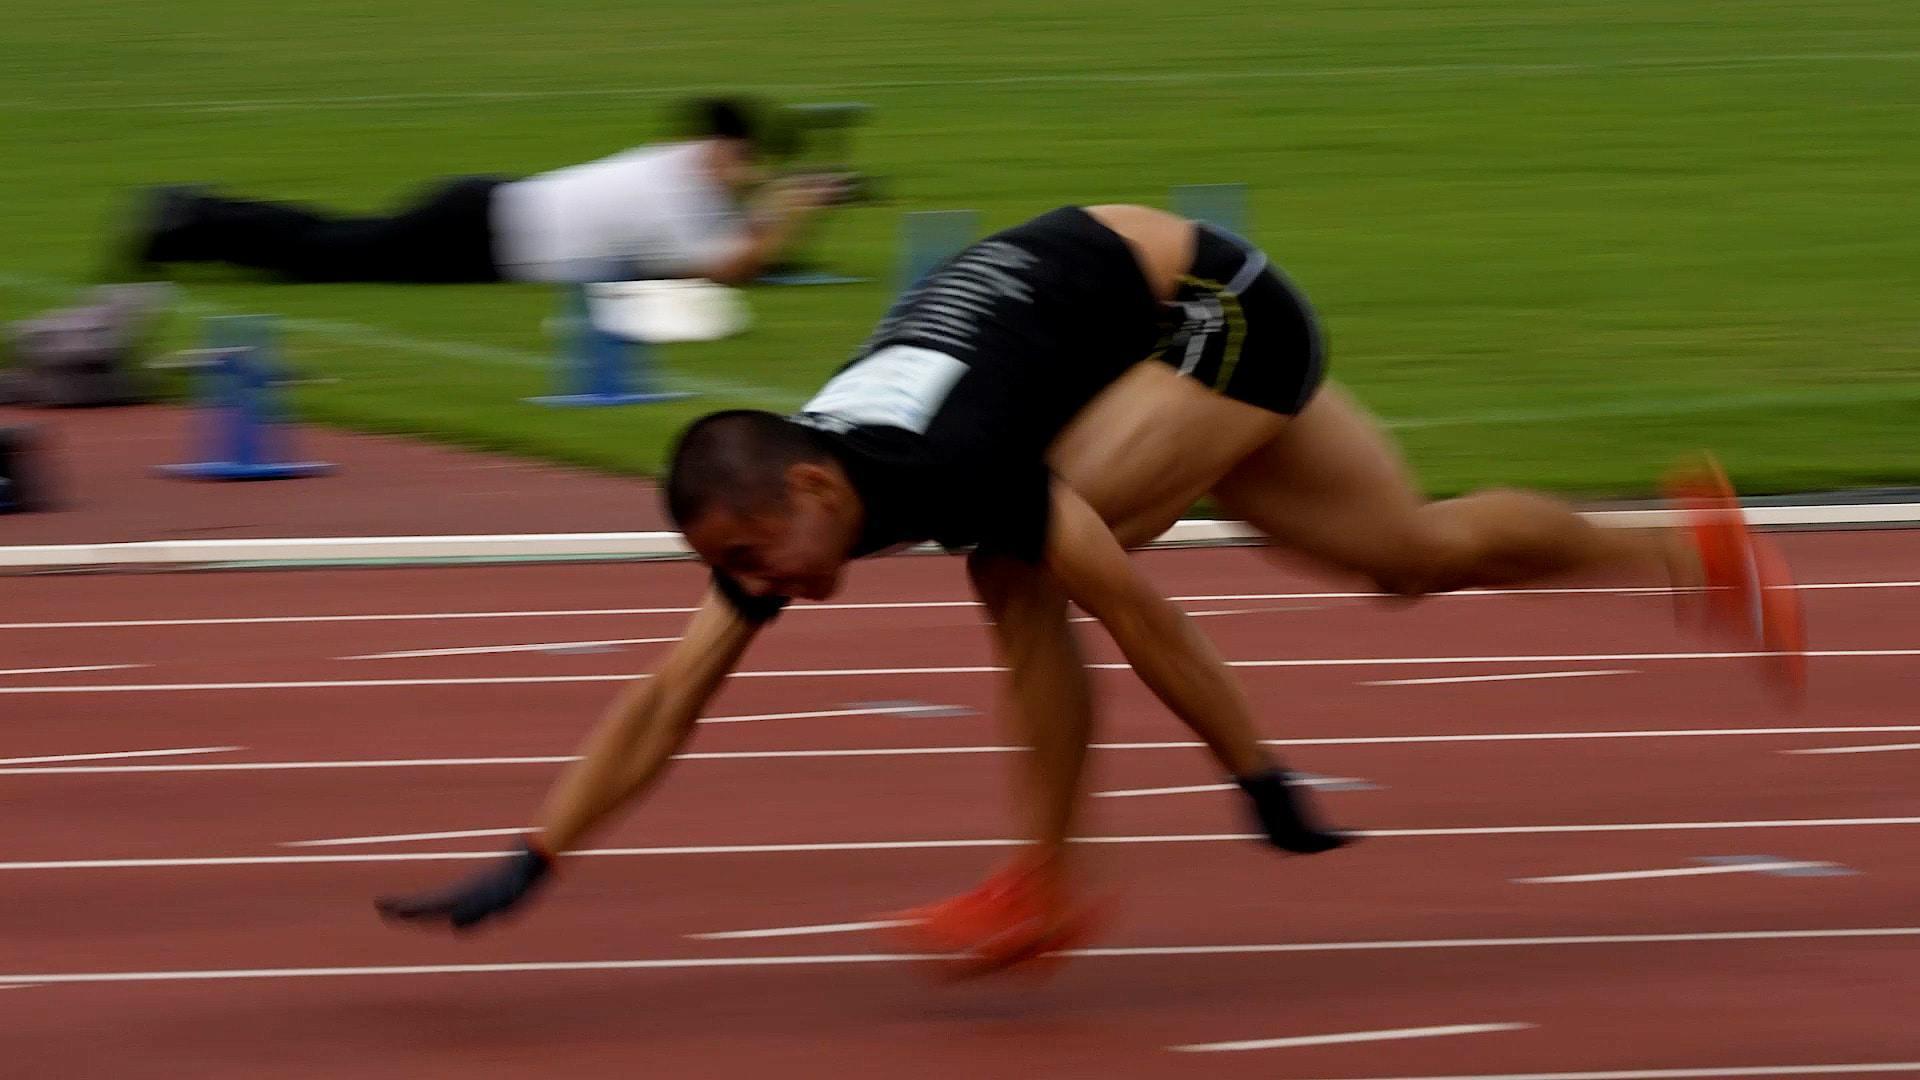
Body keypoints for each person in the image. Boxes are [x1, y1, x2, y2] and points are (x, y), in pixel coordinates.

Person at [376, 204, 1804, 975]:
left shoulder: (945, 463)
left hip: (1215, 312)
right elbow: (668, 694)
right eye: (734, 574)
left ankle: (1048, 887)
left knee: (1025, 565)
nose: (758, 592)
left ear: (810, 496)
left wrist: (1256, 775)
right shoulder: (793, 489)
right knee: (1406, 559)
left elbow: (1138, 606)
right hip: (1113, 328)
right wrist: (538, 853)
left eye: (752, 563)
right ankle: (1696, 551)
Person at [120, 98, 847, 286]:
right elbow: (734, 266)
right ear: (724, 151)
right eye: (745, 162)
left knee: (333, 240)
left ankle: (194, 216)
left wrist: (775, 212)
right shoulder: (673, 194)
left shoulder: (676, 166)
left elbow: (731, 241)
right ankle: (187, 218)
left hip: (486, 222)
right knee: (328, 250)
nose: (747, 177)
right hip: (480, 231)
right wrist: (791, 211)